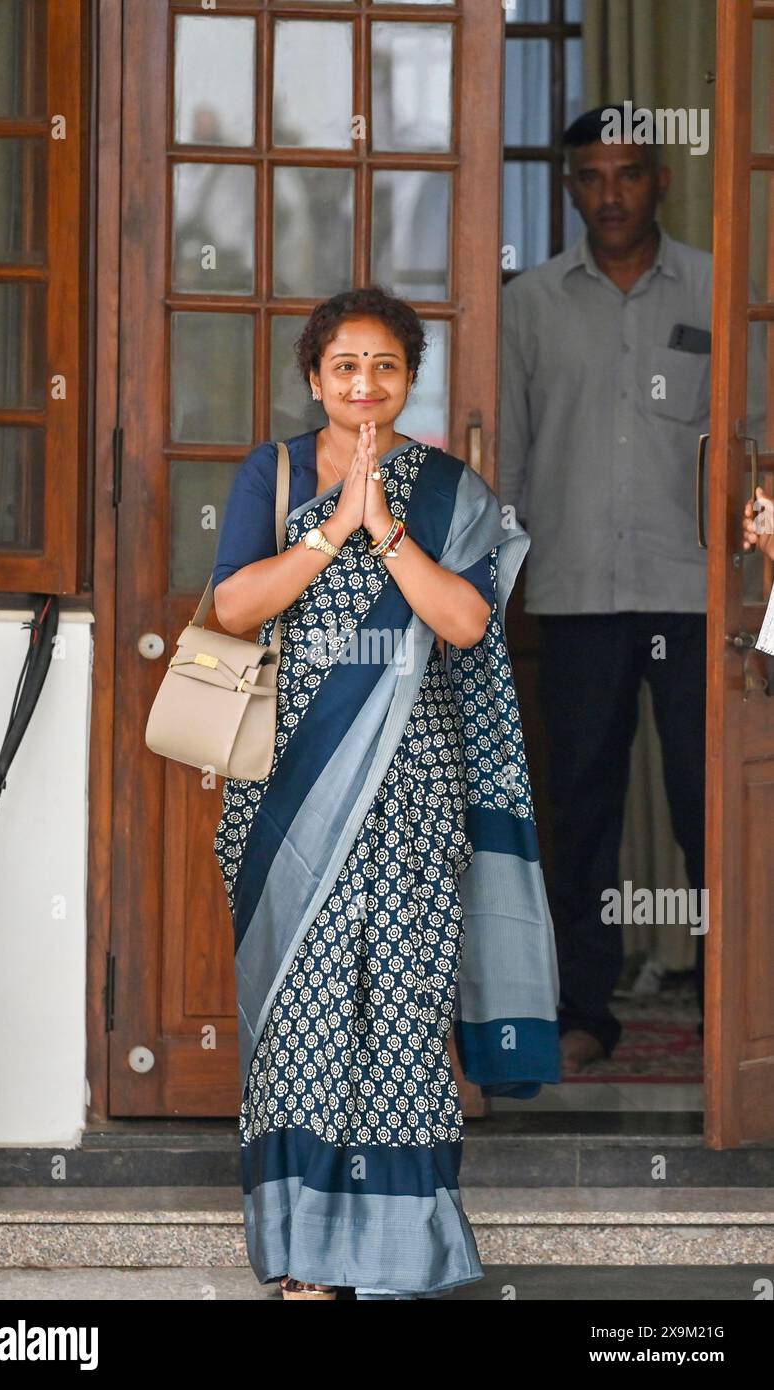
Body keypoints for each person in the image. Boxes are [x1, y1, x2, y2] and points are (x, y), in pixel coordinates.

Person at [211, 284, 560, 1300]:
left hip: (415, 801)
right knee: (304, 1021)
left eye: (386, 367)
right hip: (286, 803)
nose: (364, 386)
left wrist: (388, 528)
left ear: (409, 379)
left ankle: (399, 1254)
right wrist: (330, 533)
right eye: (343, 367)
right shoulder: (270, 475)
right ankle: (308, 1260)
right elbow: (234, 604)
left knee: (400, 1020)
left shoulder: (450, 493)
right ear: (314, 377)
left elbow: (462, 623)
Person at [498, 105, 716, 1074]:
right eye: (590, 176)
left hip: (692, 593)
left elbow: (747, 441)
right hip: (574, 595)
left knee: (709, 805)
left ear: (659, 180)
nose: (609, 194)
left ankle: (734, 1006)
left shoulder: (716, 288)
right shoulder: (529, 304)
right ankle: (582, 1005)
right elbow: (499, 451)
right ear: (568, 187)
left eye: (627, 174)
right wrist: (488, 589)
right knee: (578, 805)